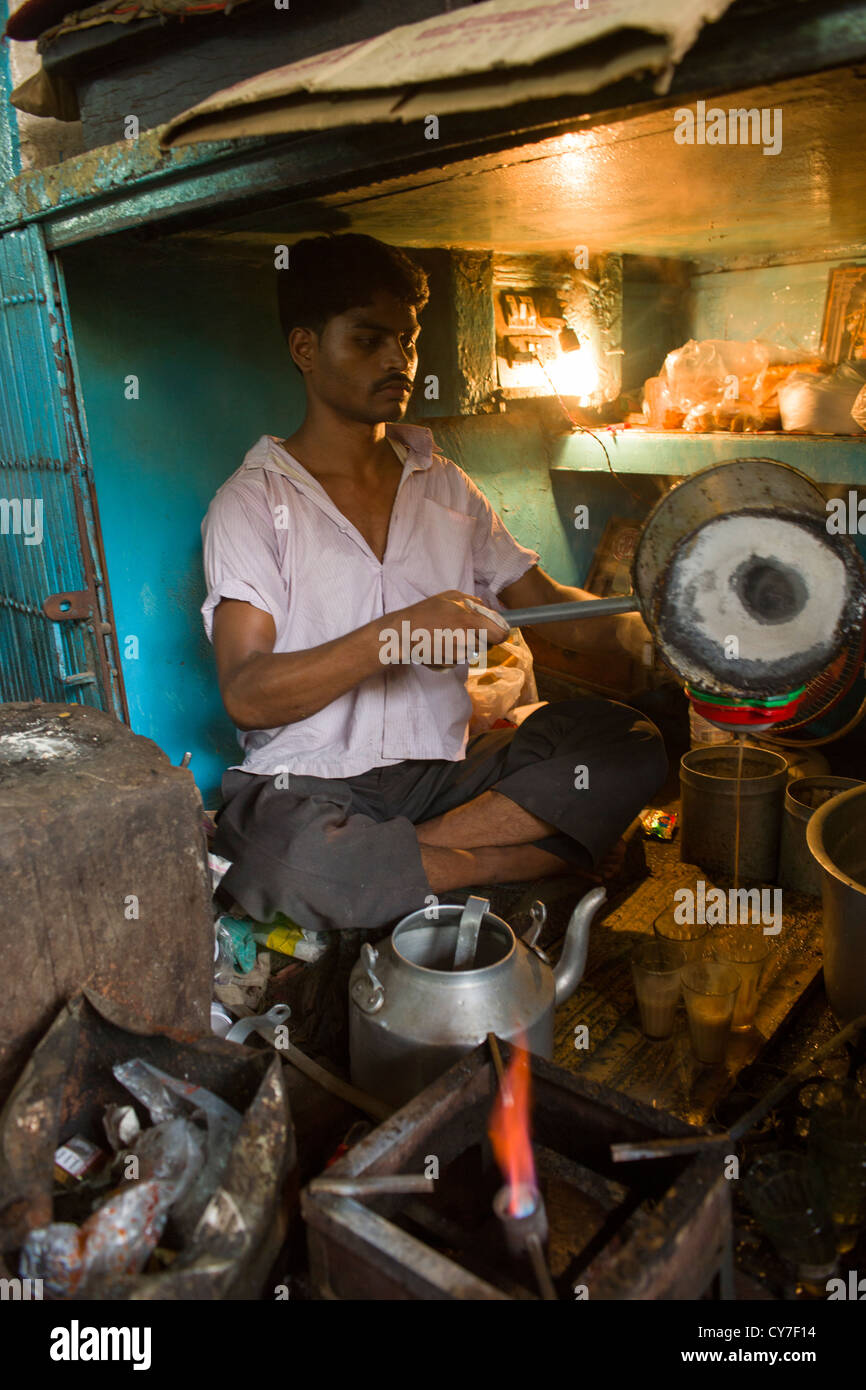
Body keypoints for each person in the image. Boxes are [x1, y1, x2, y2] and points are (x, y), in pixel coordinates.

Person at [201, 234, 667, 932]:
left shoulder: (445, 485)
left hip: (441, 778)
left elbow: (550, 610)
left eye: (407, 341)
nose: (398, 361)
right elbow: (247, 693)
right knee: (275, 850)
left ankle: (389, 863)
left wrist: (645, 630)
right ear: (305, 348)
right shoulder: (251, 502)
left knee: (629, 740)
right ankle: (508, 860)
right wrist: (397, 633)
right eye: (368, 340)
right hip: (311, 789)